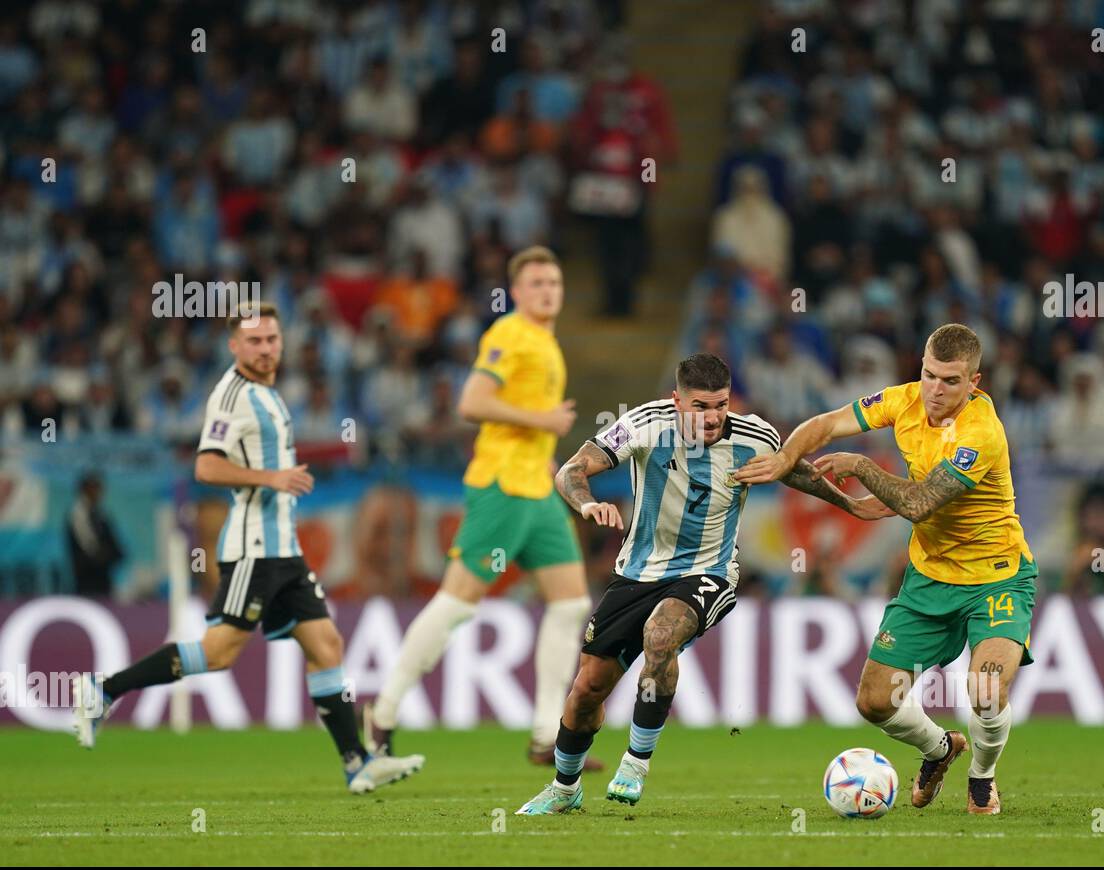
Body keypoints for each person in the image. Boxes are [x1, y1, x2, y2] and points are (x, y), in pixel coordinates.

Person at [515, 353, 893, 814]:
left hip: (709, 572)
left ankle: (636, 762)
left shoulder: (756, 436)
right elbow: (570, 471)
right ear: (677, 401)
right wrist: (587, 505)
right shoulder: (643, 425)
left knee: (660, 636)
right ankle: (564, 789)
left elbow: (796, 472)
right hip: (637, 572)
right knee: (588, 689)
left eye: (721, 404)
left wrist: (850, 505)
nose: (713, 417)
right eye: (700, 406)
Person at [72, 305, 424, 794]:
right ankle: (103, 689)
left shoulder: (271, 395)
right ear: (234, 346)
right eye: (254, 341)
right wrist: (271, 478)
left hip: (285, 550)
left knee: (326, 645)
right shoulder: (230, 397)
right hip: (253, 549)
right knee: (218, 653)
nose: (265, 348)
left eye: (272, 339)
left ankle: (356, 763)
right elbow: (206, 468)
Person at [733, 323, 1037, 815]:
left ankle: (982, 777)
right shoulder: (904, 400)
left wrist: (862, 468)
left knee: (984, 688)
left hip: (997, 576)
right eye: (929, 375)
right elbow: (828, 423)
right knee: (875, 701)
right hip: (930, 576)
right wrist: (786, 457)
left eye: (951, 381)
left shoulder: (980, 434)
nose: (936, 390)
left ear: (974, 383)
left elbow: (918, 504)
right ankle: (940, 749)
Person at [365, 247, 600, 768]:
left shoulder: (545, 342)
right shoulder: (509, 335)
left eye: (554, 282)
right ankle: (381, 713)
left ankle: (547, 735)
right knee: (458, 603)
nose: (547, 291)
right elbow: (471, 402)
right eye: (536, 283)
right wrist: (542, 424)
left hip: (535, 489)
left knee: (570, 604)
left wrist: (550, 461)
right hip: (501, 487)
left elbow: (530, 421)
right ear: (516, 292)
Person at [65, 472, 124, 596]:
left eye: (99, 487)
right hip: (87, 579)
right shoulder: (78, 514)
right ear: (84, 489)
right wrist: (106, 555)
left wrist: (116, 554)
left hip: (102, 577)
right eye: (94, 487)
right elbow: (90, 547)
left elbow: (113, 543)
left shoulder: (100, 513)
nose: (98, 492)